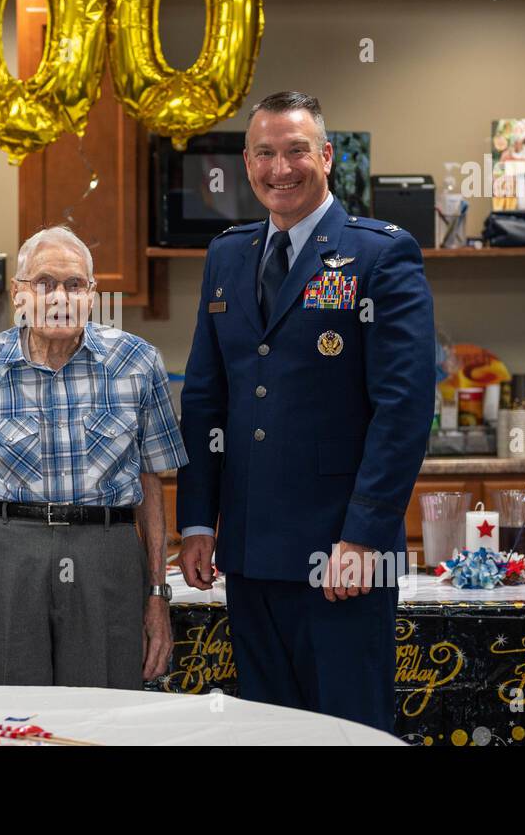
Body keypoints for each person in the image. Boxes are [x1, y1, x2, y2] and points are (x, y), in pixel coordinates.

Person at [176, 91, 435, 731]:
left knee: (347, 731)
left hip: (340, 555)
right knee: (268, 733)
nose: (280, 169)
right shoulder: (227, 256)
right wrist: (196, 522)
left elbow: (403, 409)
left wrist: (364, 537)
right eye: (264, 153)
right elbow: (206, 397)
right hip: (248, 552)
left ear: (326, 155)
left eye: (296, 151)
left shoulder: (380, 254)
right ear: (246, 161)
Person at [0, 226, 187, 688]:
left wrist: (157, 596)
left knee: (106, 707)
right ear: (18, 293)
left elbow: (153, 485)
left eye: (74, 285)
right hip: (5, 554)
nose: (59, 297)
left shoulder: (137, 363)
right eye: (45, 282)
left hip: (105, 553)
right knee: (10, 707)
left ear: (92, 296)